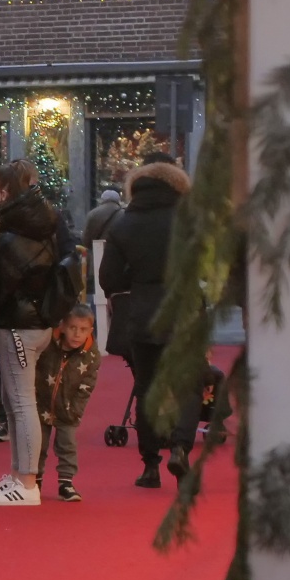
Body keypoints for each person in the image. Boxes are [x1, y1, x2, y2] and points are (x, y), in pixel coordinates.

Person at [98, 157, 195, 488]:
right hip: (184, 308)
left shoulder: (123, 224)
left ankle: (150, 465)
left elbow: (109, 279)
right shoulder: (188, 220)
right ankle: (180, 446)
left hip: (143, 311)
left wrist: (135, 279)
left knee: (147, 386)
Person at [0, 159, 68, 506]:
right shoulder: (44, 223)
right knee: (17, 402)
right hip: (37, 318)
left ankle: (27, 482)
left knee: (20, 402)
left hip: (19, 322)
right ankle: (20, 476)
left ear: (5, 192)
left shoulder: (12, 234)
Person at [35, 305, 101, 503]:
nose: (77, 334)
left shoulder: (91, 355)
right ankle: (35, 480)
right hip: (41, 404)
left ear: (90, 330)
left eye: (83, 329)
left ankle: (66, 483)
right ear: (62, 326)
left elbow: (88, 385)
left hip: (69, 409)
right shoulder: (48, 344)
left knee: (67, 445)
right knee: (38, 444)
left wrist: (75, 410)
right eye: (72, 328)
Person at [83, 188, 123, 255]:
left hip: (98, 251)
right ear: (118, 200)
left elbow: (86, 239)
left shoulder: (93, 213)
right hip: (117, 252)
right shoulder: (123, 214)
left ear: (102, 199)